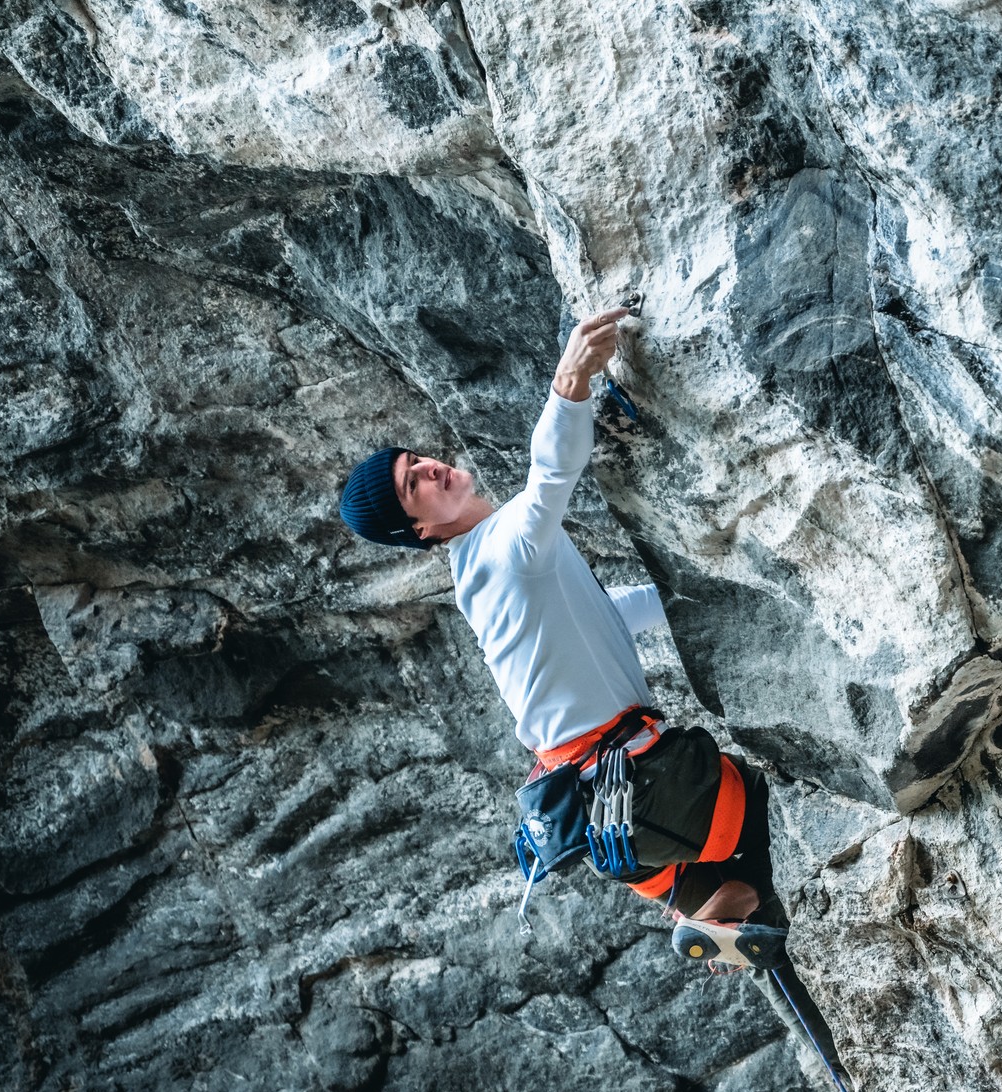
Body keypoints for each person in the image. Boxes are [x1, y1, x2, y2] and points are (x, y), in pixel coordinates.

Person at [336, 306, 786, 969]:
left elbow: (606, 618)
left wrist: (696, 596)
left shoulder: (486, 577)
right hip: (643, 786)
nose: (431, 470)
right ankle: (718, 906)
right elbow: (552, 473)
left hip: (609, 818)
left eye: (418, 462)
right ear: (423, 532)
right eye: (414, 486)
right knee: (755, 803)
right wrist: (570, 380)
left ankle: (717, 909)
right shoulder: (500, 551)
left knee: (747, 889)